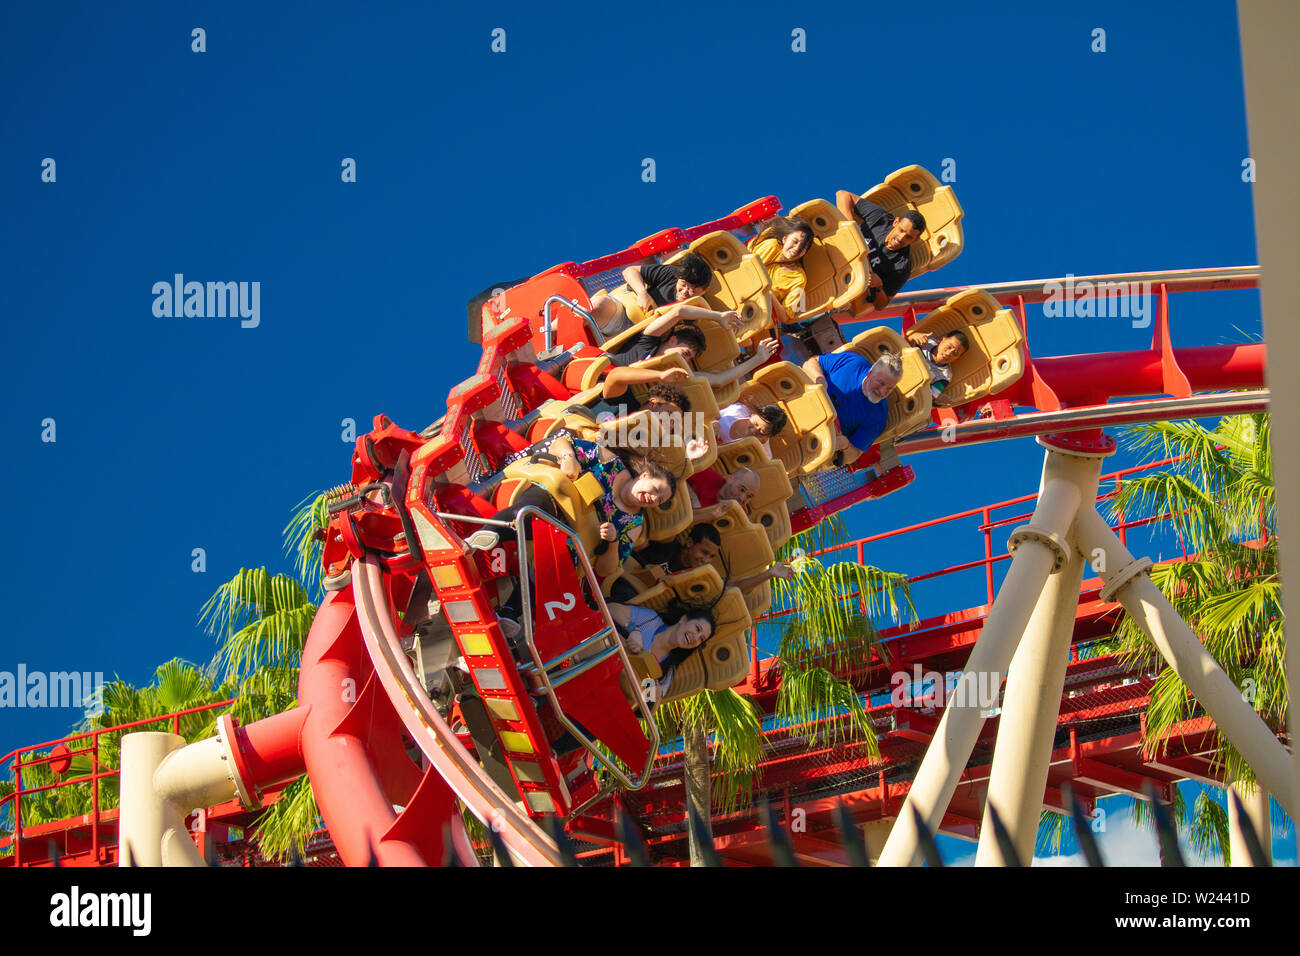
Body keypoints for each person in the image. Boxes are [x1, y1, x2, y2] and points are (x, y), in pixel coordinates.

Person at [466, 433, 677, 581]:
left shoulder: (634, 524)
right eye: (655, 490)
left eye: (658, 500)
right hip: (554, 501)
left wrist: (612, 542)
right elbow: (562, 442)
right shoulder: (610, 463)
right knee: (541, 505)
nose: (652, 498)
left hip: (570, 538)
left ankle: (510, 612)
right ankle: (485, 536)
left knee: (560, 561)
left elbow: (606, 569)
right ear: (645, 475)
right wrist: (568, 457)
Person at [802, 350, 902, 464]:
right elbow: (810, 363)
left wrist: (844, 444)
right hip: (804, 403)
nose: (883, 391)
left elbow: (853, 454)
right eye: (881, 383)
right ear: (870, 373)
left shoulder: (878, 416)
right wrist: (820, 379)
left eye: (890, 388)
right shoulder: (853, 363)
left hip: (816, 439)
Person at [606, 598, 715, 701]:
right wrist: (632, 630)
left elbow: (648, 706)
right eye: (697, 628)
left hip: (610, 690)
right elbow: (611, 608)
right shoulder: (650, 619)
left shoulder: (668, 671)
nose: (695, 638)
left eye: (701, 639)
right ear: (683, 619)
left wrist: (655, 693)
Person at [834, 191, 926, 311]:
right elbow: (842, 195)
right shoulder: (881, 219)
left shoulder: (901, 266)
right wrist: (851, 230)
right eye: (901, 230)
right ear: (895, 222)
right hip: (836, 253)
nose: (901, 238)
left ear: (915, 240)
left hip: (845, 281)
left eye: (909, 237)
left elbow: (881, 305)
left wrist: (878, 286)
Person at [589, 253, 714, 338]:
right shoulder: (670, 273)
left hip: (641, 338)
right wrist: (642, 293)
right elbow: (629, 271)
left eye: (693, 289)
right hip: (620, 312)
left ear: (704, 290)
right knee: (597, 307)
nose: (685, 291)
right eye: (683, 284)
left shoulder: (698, 309)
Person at [747, 217, 814, 323]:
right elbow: (745, 269)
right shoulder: (771, 246)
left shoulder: (798, 278)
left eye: (802, 247)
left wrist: (770, 295)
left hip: (757, 313)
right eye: (795, 241)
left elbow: (785, 317)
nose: (797, 248)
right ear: (784, 239)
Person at [906, 329, 968, 399]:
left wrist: (938, 396)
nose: (948, 353)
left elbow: (931, 395)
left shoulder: (945, 376)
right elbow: (901, 347)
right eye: (949, 347)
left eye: (955, 353)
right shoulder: (927, 342)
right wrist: (912, 337)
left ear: (956, 359)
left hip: (909, 389)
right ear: (941, 340)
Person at [687, 465, 761, 524]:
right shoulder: (706, 474)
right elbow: (677, 446)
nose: (742, 498)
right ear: (730, 478)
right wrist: (707, 515)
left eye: (749, 496)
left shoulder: (739, 517)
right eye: (742, 489)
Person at [716, 398, 788, 455]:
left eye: (761, 432)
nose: (753, 430)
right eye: (756, 423)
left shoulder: (762, 454)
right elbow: (707, 412)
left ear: (768, 436)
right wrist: (712, 422)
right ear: (753, 414)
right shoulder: (738, 410)